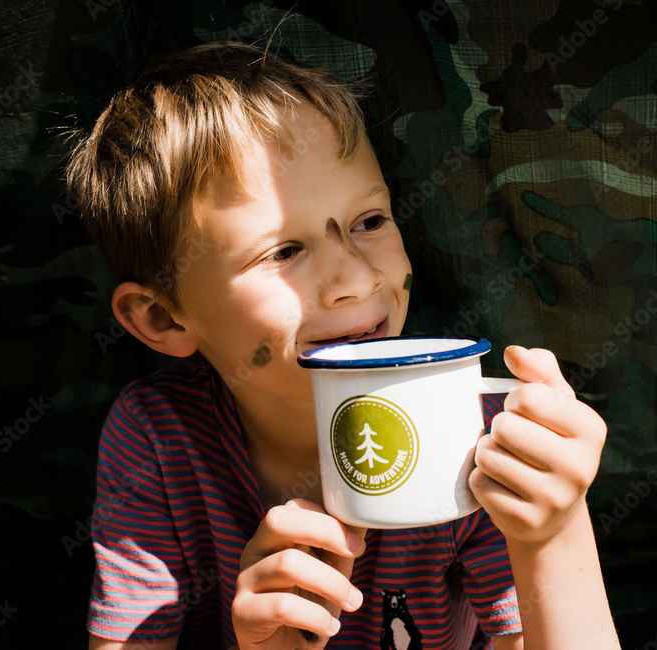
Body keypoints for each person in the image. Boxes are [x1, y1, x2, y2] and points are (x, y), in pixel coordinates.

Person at [67, 40, 620, 650]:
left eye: (370, 222)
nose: (358, 279)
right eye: (283, 251)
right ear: (162, 319)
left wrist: (556, 532)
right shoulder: (156, 436)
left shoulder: (482, 438)